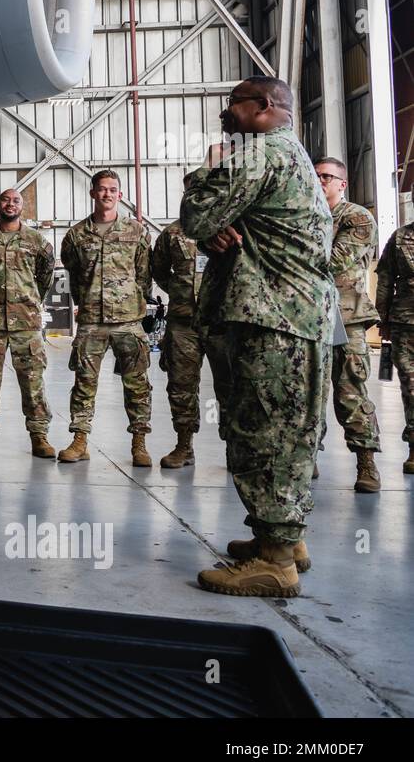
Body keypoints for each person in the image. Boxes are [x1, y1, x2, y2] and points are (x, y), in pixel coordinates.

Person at [181, 76, 333, 596]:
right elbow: (225, 227)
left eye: (234, 105)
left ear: (263, 106)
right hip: (299, 319)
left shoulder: (257, 154)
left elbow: (196, 215)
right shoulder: (294, 156)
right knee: (291, 433)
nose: (226, 113)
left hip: (272, 321)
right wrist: (219, 232)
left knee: (263, 434)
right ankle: (286, 539)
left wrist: (208, 168)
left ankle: (275, 562)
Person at [57, 170, 153, 466]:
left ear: (120, 195)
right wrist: (86, 302)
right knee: (84, 383)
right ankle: (79, 441)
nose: (107, 194)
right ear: (93, 193)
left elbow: (144, 276)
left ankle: (139, 443)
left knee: (137, 384)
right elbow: (74, 276)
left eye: (112, 189)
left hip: (128, 321)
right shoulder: (76, 235)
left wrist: (132, 302)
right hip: (91, 322)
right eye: (102, 189)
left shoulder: (136, 232)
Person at [0, 188, 55, 458]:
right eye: (6, 200)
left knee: (33, 380)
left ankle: (39, 436)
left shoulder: (37, 241)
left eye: (16, 200)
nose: (11, 204)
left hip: (26, 322)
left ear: (22, 207)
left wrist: (28, 300)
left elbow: (45, 277)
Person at [315, 157, 381, 493]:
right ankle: (306, 458)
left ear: (342, 184)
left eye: (326, 177)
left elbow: (334, 260)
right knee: (307, 395)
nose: (319, 181)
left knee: (350, 392)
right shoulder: (303, 215)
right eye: (315, 176)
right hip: (308, 318)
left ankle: (366, 462)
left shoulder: (356, 217)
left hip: (346, 318)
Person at [150, 173, 207, 468]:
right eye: (190, 191)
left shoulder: (231, 228)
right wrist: (178, 292)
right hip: (183, 322)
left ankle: (237, 449)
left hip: (223, 321)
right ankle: (184, 446)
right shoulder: (172, 233)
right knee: (181, 385)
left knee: (234, 386)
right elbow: (158, 270)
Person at [376, 216, 414, 478]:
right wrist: (383, 319)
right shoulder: (400, 236)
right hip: (405, 323)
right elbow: (385, 279)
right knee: (411, 387)